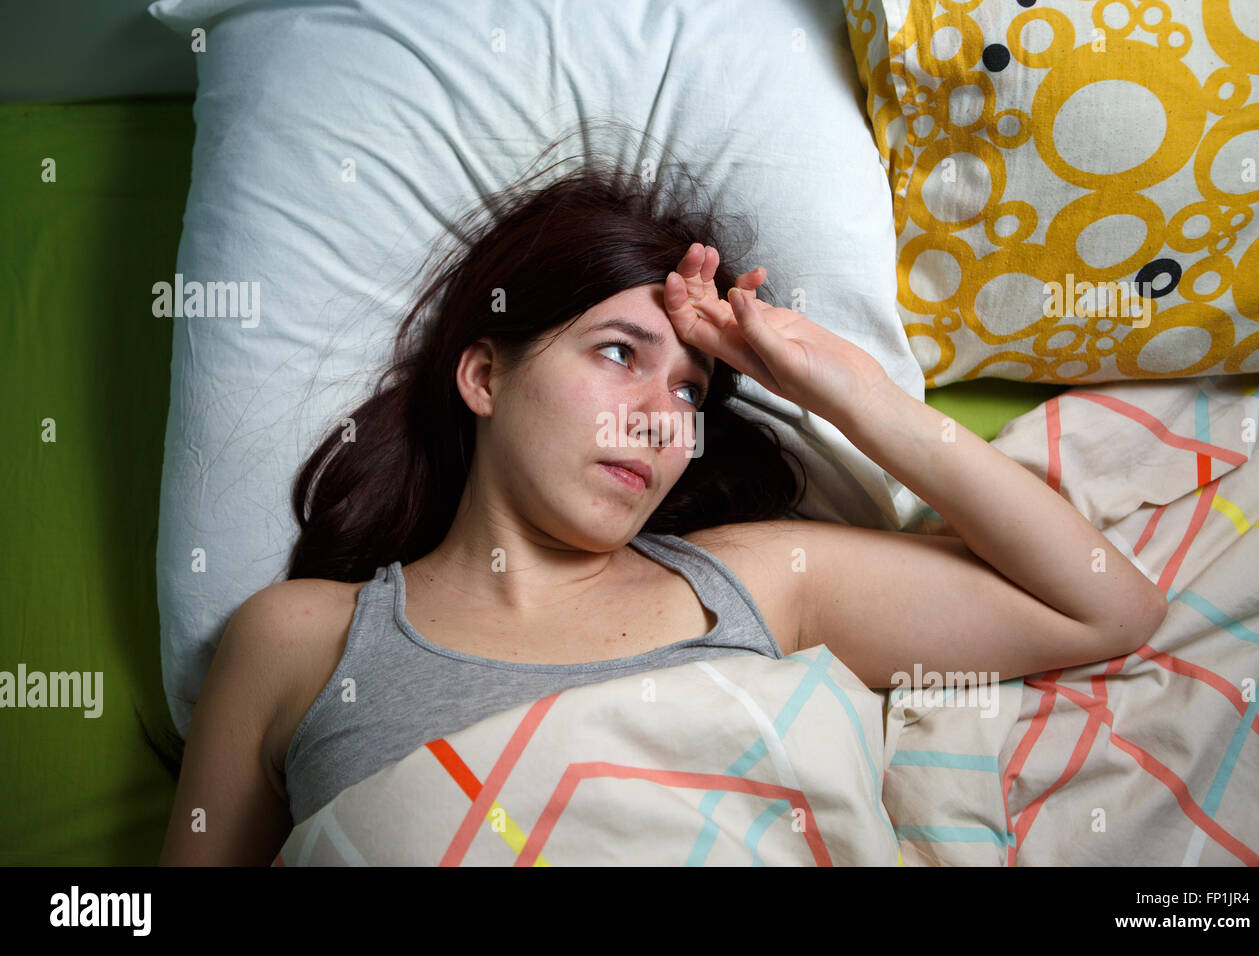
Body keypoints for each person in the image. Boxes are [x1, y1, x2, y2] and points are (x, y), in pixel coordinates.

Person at [159, 137, 1167, 866]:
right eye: (615, 354)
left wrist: (844, 389)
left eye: (691, 389)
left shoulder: (762, 580)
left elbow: (1103, 605)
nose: (660, 416)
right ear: (483, 376)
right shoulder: (297, 641)